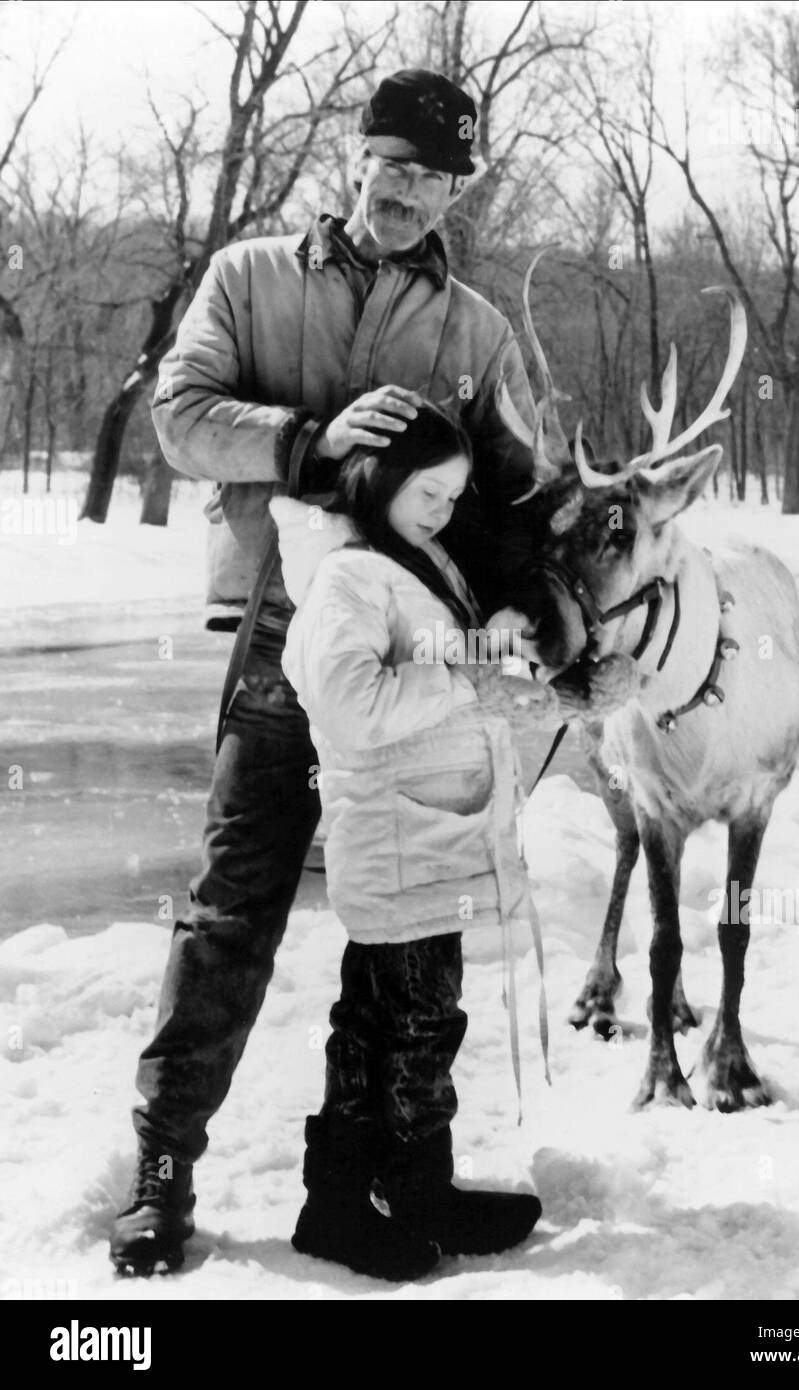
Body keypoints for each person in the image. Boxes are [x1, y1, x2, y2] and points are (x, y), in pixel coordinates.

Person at [110, 68, 550, 1276]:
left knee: (412, 916)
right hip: (278, 636)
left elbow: (504, 500)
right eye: (396, 167)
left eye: (439, 178)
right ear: (355, 158)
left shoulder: (476, 330)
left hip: (411, 650)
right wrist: (306, 442)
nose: (412, 196)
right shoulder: (251, 275)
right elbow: (182, 414)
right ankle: (162, 1172)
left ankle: (389, 1175)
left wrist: (543, 600)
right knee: (233, 904)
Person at [271, 402, 550, 1280]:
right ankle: (367, 1196)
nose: (441, 508)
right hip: (397, 836)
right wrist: (468, 670)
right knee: (406, 1020)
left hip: (431, 835)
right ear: (381, 477)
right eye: (428, 490)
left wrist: (503, 663)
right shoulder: (349, 578)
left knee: (399, 1020)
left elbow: (446, 674)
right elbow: (351, 708)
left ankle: (391, 1187)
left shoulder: (413, 560)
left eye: (454, 494)